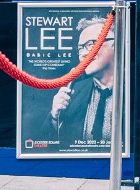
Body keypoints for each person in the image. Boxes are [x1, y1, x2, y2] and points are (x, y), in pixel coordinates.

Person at [45, 17, 117, 146]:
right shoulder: (73, 92)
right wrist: (54, 117)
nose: (83, 54)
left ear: (115, 45)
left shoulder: (135, 89)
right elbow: (51, 143)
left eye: (90, 45)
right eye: (80, 49)